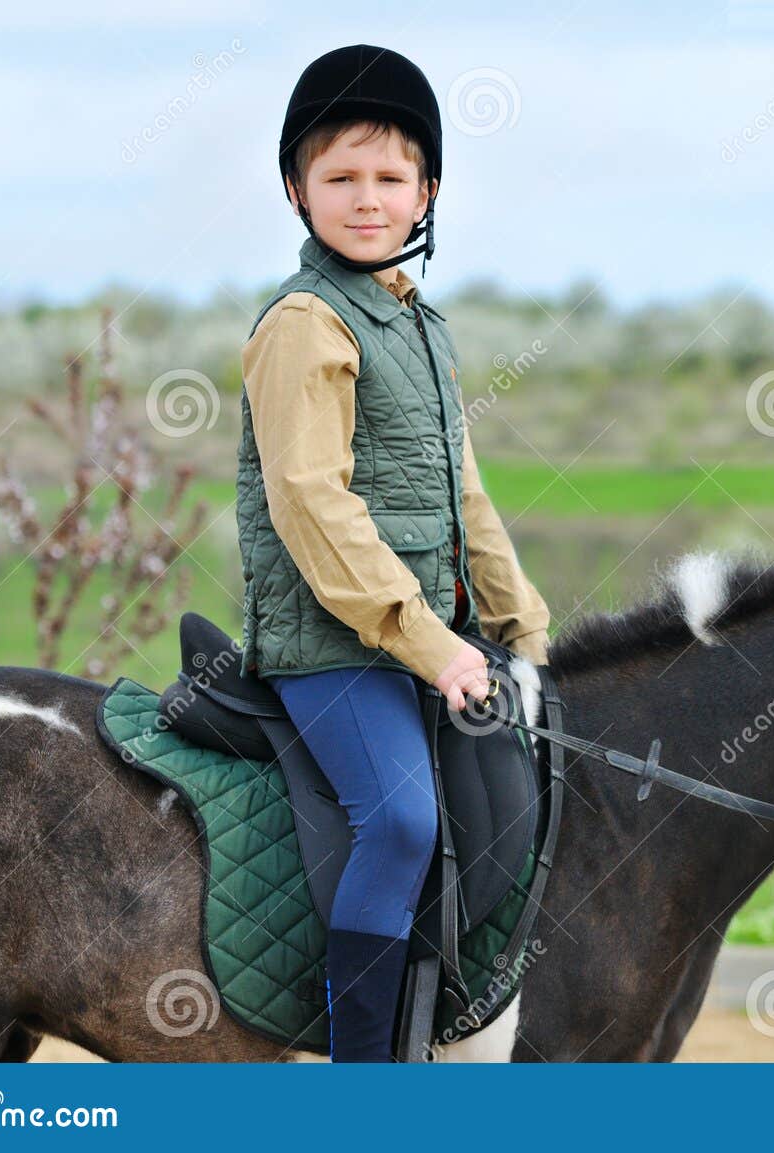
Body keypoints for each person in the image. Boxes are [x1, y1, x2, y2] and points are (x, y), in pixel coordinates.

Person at [234, 44, 551, 1061]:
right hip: (334, 647)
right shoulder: (304, 323)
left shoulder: (417, 324)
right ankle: (364, 1077)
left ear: (427, 191)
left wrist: (522, 627)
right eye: (339, 178)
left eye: (388, 179)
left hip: (424, 637)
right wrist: (440, 649)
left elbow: (464, 495)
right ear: (297, 190)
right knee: (403, 824)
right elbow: (311, 501)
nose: (365, 201)